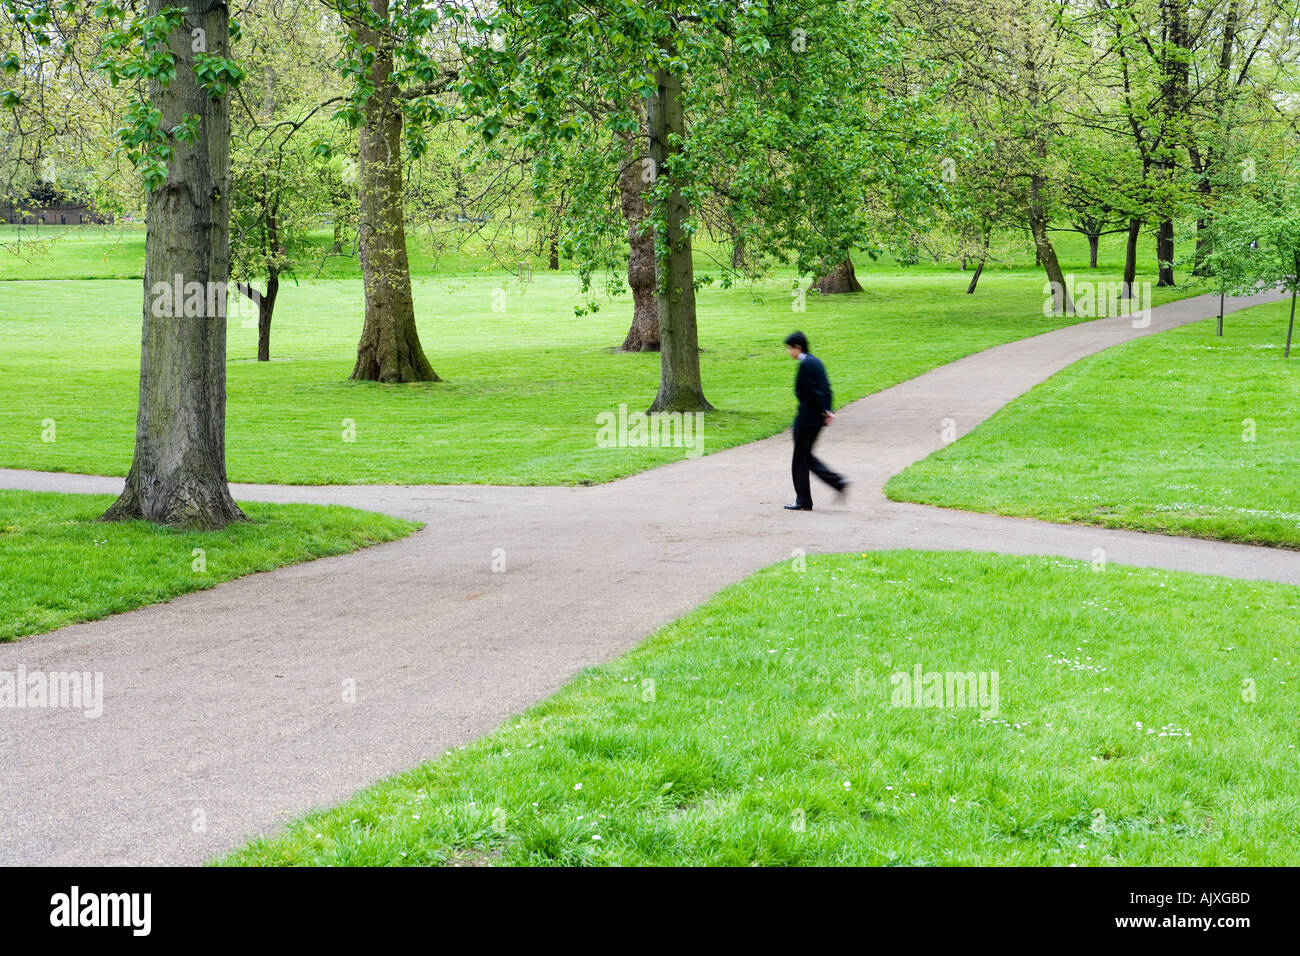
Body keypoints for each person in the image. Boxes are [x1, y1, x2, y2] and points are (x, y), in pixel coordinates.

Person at [783, 331, 848, 511]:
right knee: (806, 458)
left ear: (798, 347)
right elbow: (826, 388)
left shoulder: (806, 364)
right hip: (816, 419)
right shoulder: (816, 362)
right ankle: (836, 483)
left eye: (790, 348)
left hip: (806, 420)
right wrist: (827, 410)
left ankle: (804, 499)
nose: (789, 352)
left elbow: (811, 392)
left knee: (799, 461)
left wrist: (822, 410)